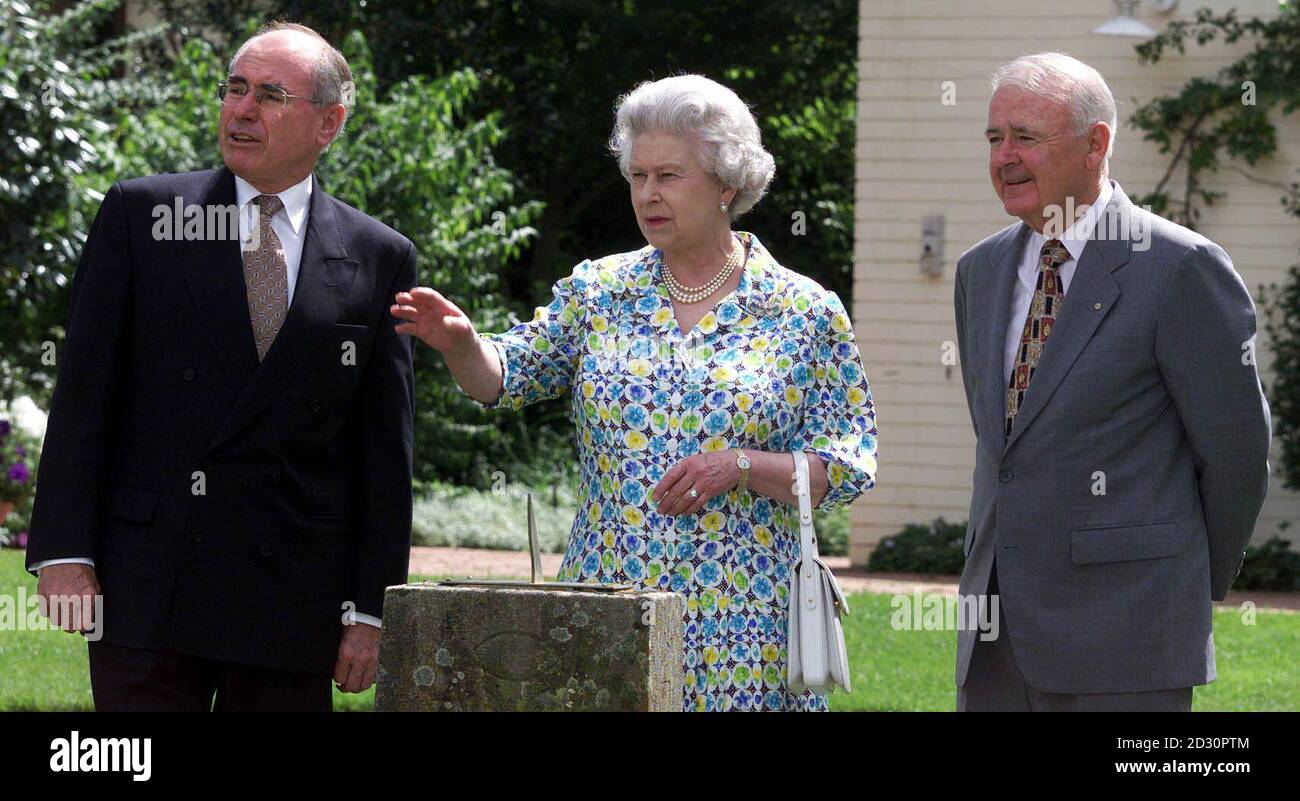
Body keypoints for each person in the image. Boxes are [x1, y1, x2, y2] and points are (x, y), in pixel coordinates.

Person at [392, 74, 878, 711]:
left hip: (741, 626)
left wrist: (740, 466)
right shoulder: (600, 291)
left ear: (727, 183)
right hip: (607, 611)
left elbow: (846, 466)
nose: (647, 193)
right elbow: (506, 376)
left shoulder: (803, 311)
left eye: (669, 176)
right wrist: (461, 344)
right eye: (637, 176)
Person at [26, 22, 417, 711]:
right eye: (234, 88)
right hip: (147, 585)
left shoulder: (380, 255)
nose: (241, 110)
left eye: (270, 95)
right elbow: (85, 395)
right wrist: (63, 551)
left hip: (290, 597)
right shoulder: (141, 214)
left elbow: (384, 452)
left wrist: (371, 609)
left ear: (330, 122)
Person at [953, 52, 1271, 711]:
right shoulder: (978, 271)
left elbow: (1237, 456)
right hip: (994, 643)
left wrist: (1175, 581)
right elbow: (1007, 453)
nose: (1004, 156)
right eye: (994, 137)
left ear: (1095, 143)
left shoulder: (1180, 267)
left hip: (1130, 637)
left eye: (1025, 137)